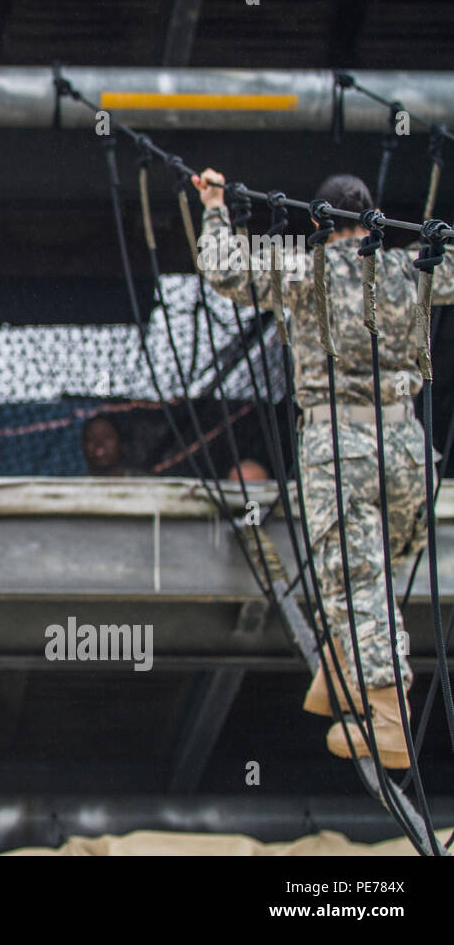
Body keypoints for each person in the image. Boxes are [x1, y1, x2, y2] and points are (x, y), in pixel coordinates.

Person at [191, 167, 454, 768]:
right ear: (373, 217)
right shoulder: (412, 266)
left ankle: (387, 717)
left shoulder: (304, 269)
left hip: (343, 447)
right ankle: (343, 669)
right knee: (373, 567)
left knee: (355, 580)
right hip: (410, 449)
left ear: (316, 221)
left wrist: (213, 204)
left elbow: (223, 266)